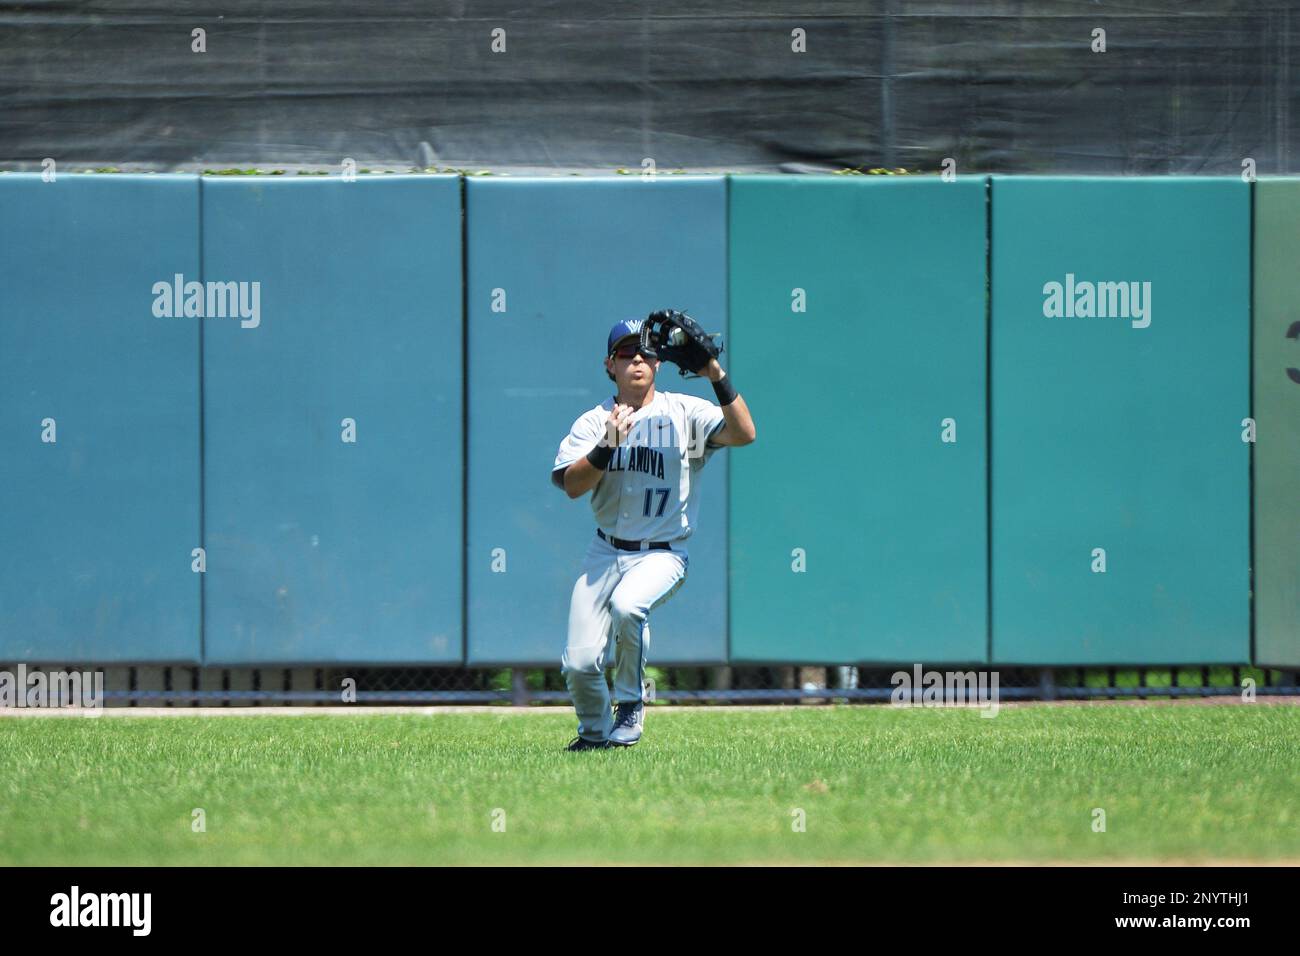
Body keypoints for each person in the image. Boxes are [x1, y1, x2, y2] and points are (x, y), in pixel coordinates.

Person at [549, 317, 756, 751]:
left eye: (647, 351)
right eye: (627, 352)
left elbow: (744, 433)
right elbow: (571, 486)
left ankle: (630, 704)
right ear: (610, 364)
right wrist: (606, 445)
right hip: (604, 551)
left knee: (629, 606)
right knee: (580, 662)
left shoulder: (685, 413)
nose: (638, 358)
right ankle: (593, 735)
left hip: (663, 552)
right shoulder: (593, 422)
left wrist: (715, 374)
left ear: (660, 363)